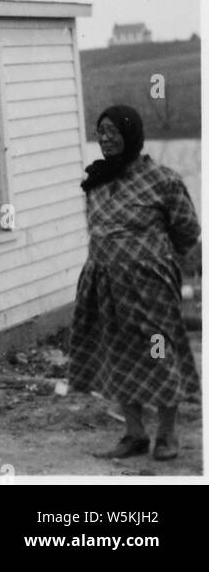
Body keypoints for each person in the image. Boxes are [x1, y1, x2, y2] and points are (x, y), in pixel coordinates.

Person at [69, 105, 201, 461]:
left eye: (114, 130)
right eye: (101, 131)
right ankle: (134, 433)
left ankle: (168, 434)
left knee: (159, 353)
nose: (106, 138)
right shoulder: (96, 180)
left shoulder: (163, 180)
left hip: (150, 287)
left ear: (132, 133)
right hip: (105, 285)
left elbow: (188, 232)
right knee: (118, 355)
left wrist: (163, 266)